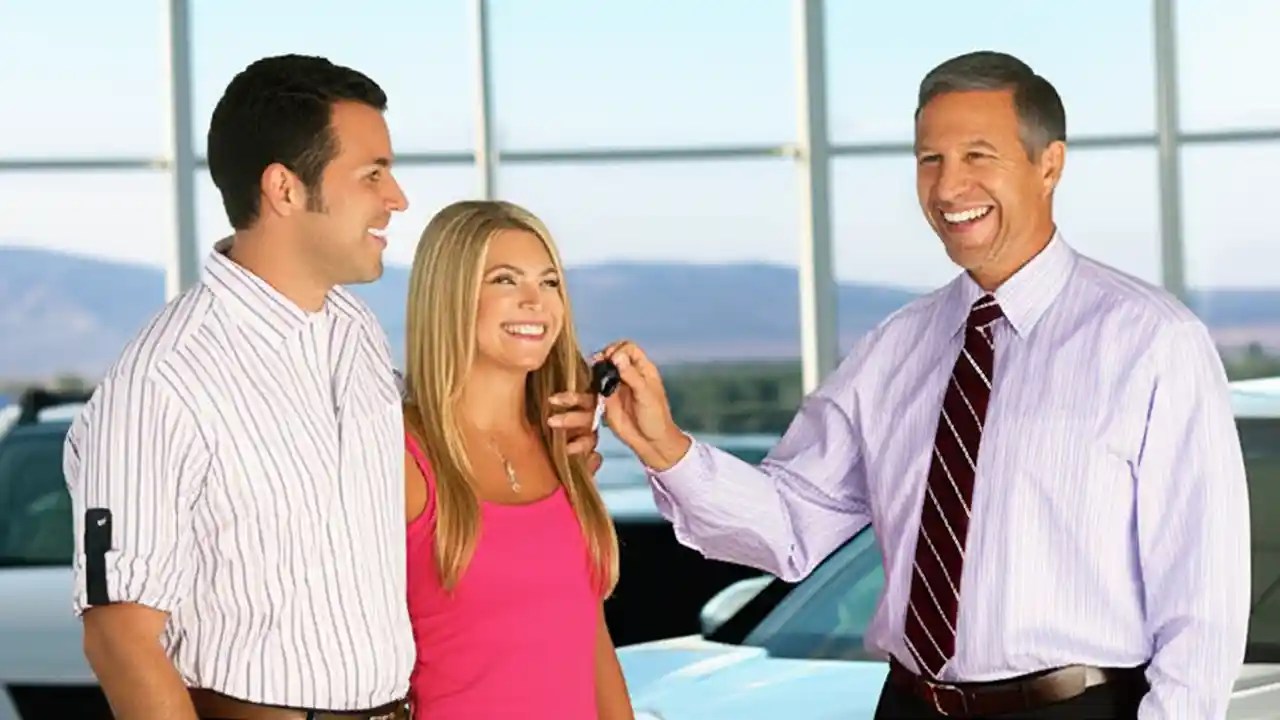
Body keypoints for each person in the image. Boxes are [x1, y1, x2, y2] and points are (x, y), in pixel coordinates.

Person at [598, 50, 1251, 719]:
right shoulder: (895, 348)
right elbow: (790, 528)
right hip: (906, 705)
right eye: (929, 159)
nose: (947, 188)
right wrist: (666, 448)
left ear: (1048, 164)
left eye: (977, 155)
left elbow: (1202, 592)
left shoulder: (1152, 342)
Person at [61, 55, 603, 720]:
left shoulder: (352, 332)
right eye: (372, 174)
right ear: (285, 190)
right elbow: (119, 637)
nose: (397, 198)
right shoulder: (163, 383)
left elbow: (447, 415)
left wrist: (557, 420)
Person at [397, 200, 633, 719]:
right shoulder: (398, 455)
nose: (536, 302)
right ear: (451, 296)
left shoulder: (565, 449)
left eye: (549, 284)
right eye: (506, 281)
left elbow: (591, 644)